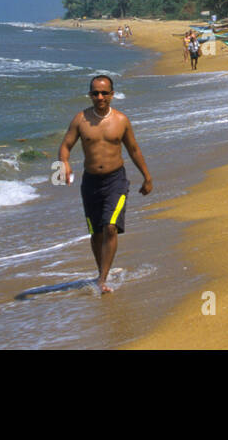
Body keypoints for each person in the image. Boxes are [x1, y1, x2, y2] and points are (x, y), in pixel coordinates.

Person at [58, 75, 153, 294]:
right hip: (90, 183)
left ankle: (102, 279)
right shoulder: (80, 120)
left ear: (112, 94)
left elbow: (134, 149)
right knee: (96, 233)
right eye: (95, 93)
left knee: (110, 226)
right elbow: (65, 146)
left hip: (115, 180)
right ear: (90, 95)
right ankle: (103, 271)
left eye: (104, 93)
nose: (99, 97)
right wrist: (64, 164)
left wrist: (147, 177)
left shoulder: (121, 120)